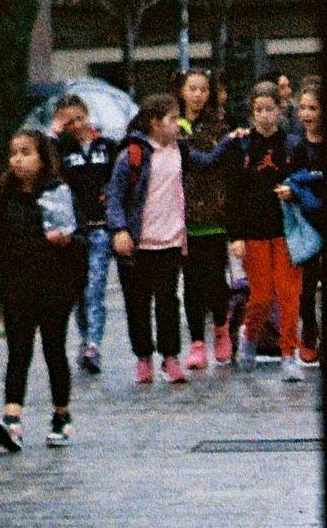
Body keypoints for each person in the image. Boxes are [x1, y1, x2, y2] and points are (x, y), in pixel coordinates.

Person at [0, 120, 83, 450]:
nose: (18, 160)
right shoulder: (3, 198)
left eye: (25, 153)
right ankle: (12, 420)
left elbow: (75, 238)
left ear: (42, 158)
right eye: (13, 154)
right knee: (18, 353)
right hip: (17, 286)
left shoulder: (57, 193)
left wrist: (65, 241)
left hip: (53, 286)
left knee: (54, 350)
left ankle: (61, 415)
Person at [108, 91, 191, 379]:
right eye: (172, 119)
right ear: (155, 123)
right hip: (137, 243)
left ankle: (170, 356)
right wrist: (119, 230)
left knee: (168, 300)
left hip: (170, 240)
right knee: (137, 303)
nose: (178, 125)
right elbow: (115, 196)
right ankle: (143, 356)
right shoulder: (132, 155)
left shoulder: (181, 151)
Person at [221, 79, 299, 365]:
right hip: (252, 232)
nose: (265, 115)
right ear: (252, 112)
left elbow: (304, 183)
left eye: (270, 108)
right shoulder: (241, 146)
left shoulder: (292, 145)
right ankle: (250, 336)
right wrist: (236, 236)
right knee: (262, 296)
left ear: (280, 110)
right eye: (259, 109)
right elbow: (233, 194)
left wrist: (294, 192)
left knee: (289, 295)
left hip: (286, 230)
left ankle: (289, 352)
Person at [49, 92, 120, 376]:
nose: (77, 125)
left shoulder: (106, 146)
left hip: (100, 226)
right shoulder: (61, 152)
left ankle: (93, 343)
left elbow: (116, 182)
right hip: (74, 230)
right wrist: (55, 137)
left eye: (80, 118)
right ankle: (84, 339)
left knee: (95, 286)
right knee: (79, 290)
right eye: (69, 122)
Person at [177, 63, 236, 370]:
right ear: (182, 92)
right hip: (183, 217)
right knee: (191, 283)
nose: (197, 95)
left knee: (215, 279)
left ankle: (222, 330)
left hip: (214, 212)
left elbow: (219, 164)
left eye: (203, 89)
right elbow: (192, 161)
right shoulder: (173, 125)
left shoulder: (220, 125)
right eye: (192, 89)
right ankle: (197, 342)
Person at [281, 84, 323, 378]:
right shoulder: (296, 146)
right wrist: (289, 191)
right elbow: (289, 179)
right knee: (305, 287)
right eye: (303, 108)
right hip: (306, 225)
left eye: (313, 108)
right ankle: (309, 334)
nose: (306, 114)